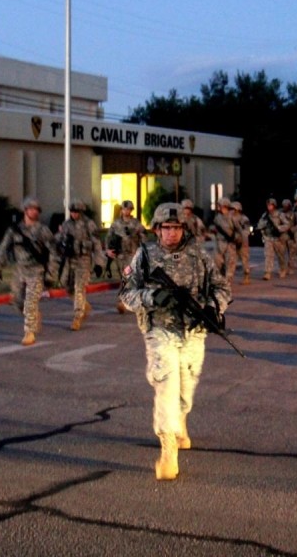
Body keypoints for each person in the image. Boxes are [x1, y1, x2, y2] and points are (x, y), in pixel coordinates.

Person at [119, 203, 232, 480]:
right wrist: (150, 298)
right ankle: (168, 447)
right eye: (166, 228)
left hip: (193, 331)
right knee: (167, 382)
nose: (171, 233)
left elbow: (222, 287)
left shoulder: (199, 256)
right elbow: (126, 294)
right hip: (160, 329)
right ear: (157, 229)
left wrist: (213, 308)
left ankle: (180, 421)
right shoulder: (144, 256)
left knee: (187, 386)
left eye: (177, 227)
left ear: (184, 229)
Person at [0, 197, 54, 346]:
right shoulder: (14, 230)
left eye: (36, 209)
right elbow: (4, 248)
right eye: (31, 209)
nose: (34, 211)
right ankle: (33, 317)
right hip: (20, 271)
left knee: (30, 303)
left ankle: (29, 332)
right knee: (17, 301)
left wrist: (50, 273)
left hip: (36, 270)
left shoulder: (42, 230)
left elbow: (53, 252)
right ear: (25, 210)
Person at [54, 199, 104, 331]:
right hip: (70, 260)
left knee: (79, 287)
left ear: (81, 212)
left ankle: (77, 316)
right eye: (72, 212)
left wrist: (99, 263)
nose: (74, 214)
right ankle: (84, 305)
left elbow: (97, 244)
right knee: (67, 286)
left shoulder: (89, 225)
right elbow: (59, 239)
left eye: (76, 212)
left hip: (84, 260)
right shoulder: (66, 225)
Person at [107, 200, 146, 313]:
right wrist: (108, 250)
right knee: (123, 277)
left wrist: (143, 248)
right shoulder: (116, 224)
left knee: (127, 277)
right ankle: (126, 299)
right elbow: (109, 237)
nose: (126, 211)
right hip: (120, 254)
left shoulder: (135, 223)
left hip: (132, 254)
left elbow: (143, 235)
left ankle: (121, 301)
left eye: (128, 209)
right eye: (124, 209)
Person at [209, 197, 242, 287]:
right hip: (219, 243)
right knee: (217, 263)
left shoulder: (233, 217)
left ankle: (227, 284)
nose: (219, 207)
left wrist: (236, 238)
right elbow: (214, 228)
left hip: (230, 244)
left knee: (230, 265)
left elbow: (239, 231)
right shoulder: (217, 218)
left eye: (221, 206)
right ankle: (219, 282)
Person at [256, 198, 290, 280]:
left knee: (281, 256)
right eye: (268, 205)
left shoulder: (279, 214)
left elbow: (287, 224)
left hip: (278, 238)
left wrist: (279, 228)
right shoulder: (265, 215)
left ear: (274, 205)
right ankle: (267, 272)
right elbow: (259, 225)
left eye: (270, 205)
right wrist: (264, 224)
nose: (269, 207)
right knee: (268, 255)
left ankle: (282, 269)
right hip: (268, 238)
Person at [232, 201, 253, 284]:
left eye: (233, 209)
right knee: (231, 259)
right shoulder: (230, 218)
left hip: (243, 242)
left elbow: (246, 230)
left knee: (244, 259)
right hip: (233, 241)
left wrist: (241, 238)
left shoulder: (244, 219)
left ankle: (246, 276)